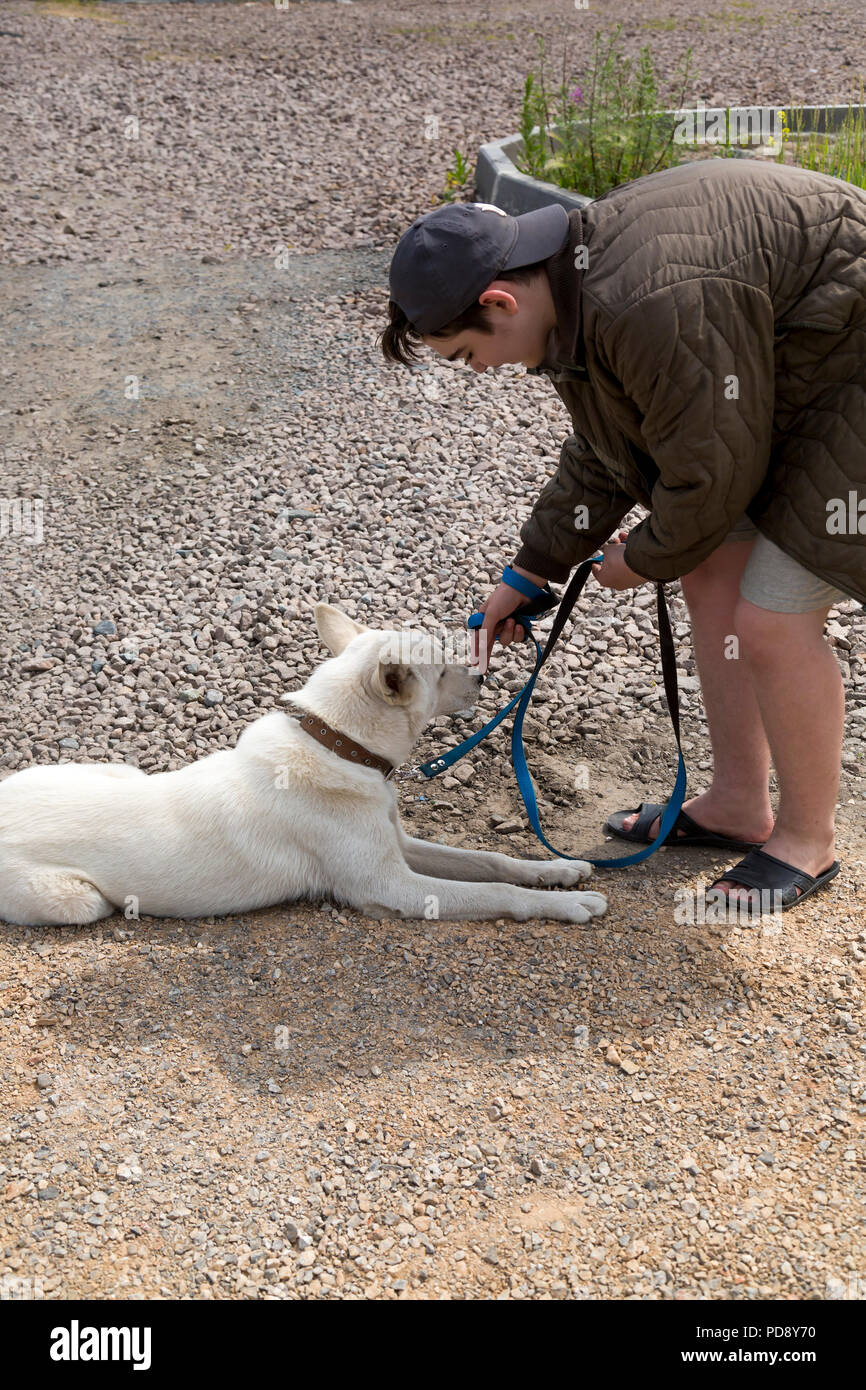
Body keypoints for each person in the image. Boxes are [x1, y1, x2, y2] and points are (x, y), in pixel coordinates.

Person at [380, 159, 866, 913]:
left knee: (772, 621)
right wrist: (531, 568)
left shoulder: (645, 299)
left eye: (469, 356)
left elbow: (711, 474)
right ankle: (740, 803)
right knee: (710, 575)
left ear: (498, 300)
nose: (484, 370)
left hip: (852, 384)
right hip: (799, 374)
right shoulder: (570, 290)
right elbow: (612, 452)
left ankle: (808, 840)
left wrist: (638, 560)